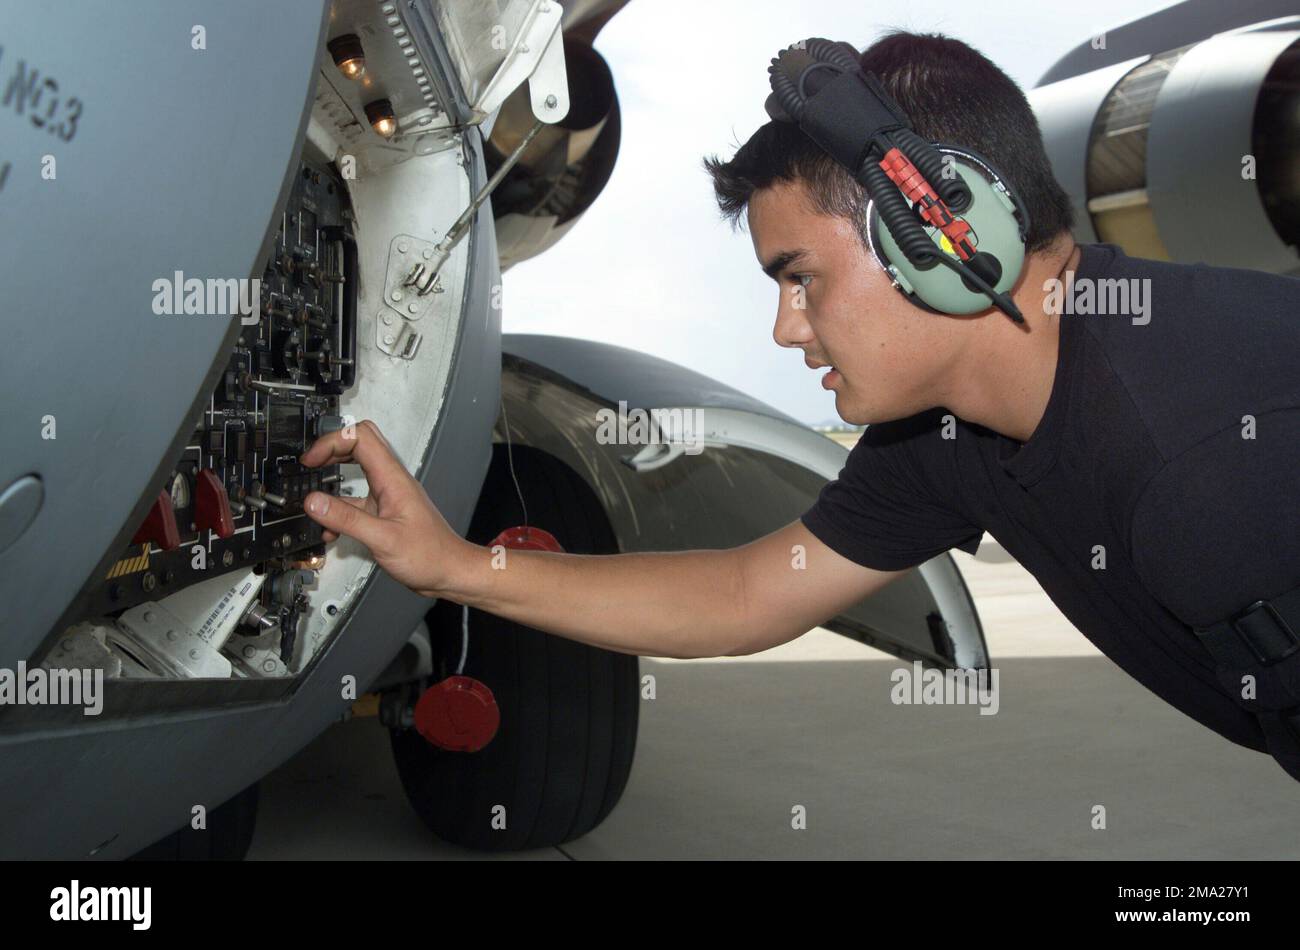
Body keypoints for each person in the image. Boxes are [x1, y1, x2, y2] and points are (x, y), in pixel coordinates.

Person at [300, 30, 1300, 779]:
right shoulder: (944, 436)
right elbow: (743, 594)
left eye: (800, 277)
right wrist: (458, 566)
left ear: (946, 234)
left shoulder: (1204, 463)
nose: (786, 330)